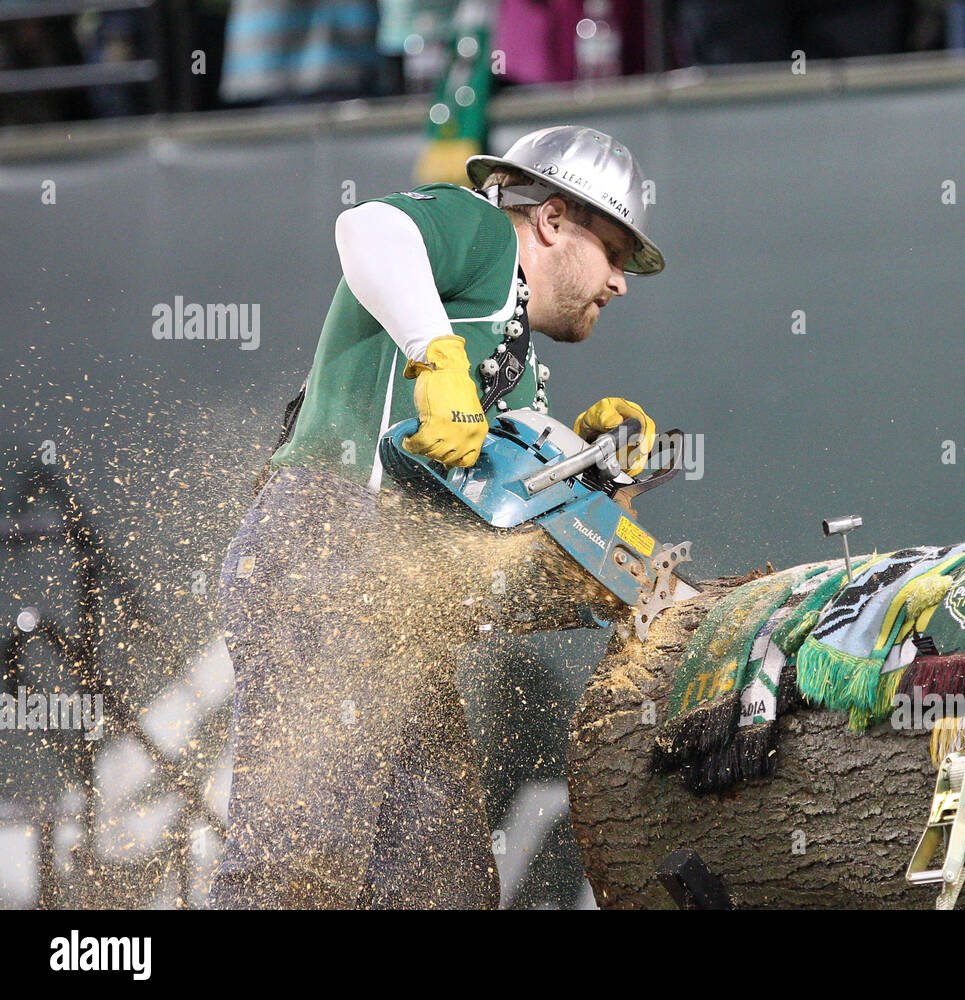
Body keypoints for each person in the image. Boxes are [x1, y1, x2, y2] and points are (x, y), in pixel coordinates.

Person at [210, 125, 664, 908]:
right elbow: (370, 227)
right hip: (327, 557)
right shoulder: (482, 230)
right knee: (294, 874)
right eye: (615, 253)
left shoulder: (514, 372)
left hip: (398, 622)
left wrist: (589, 467)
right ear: (552, 220)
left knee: (441, 889)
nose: (620, 282)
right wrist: (435, 353)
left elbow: (510, 560)